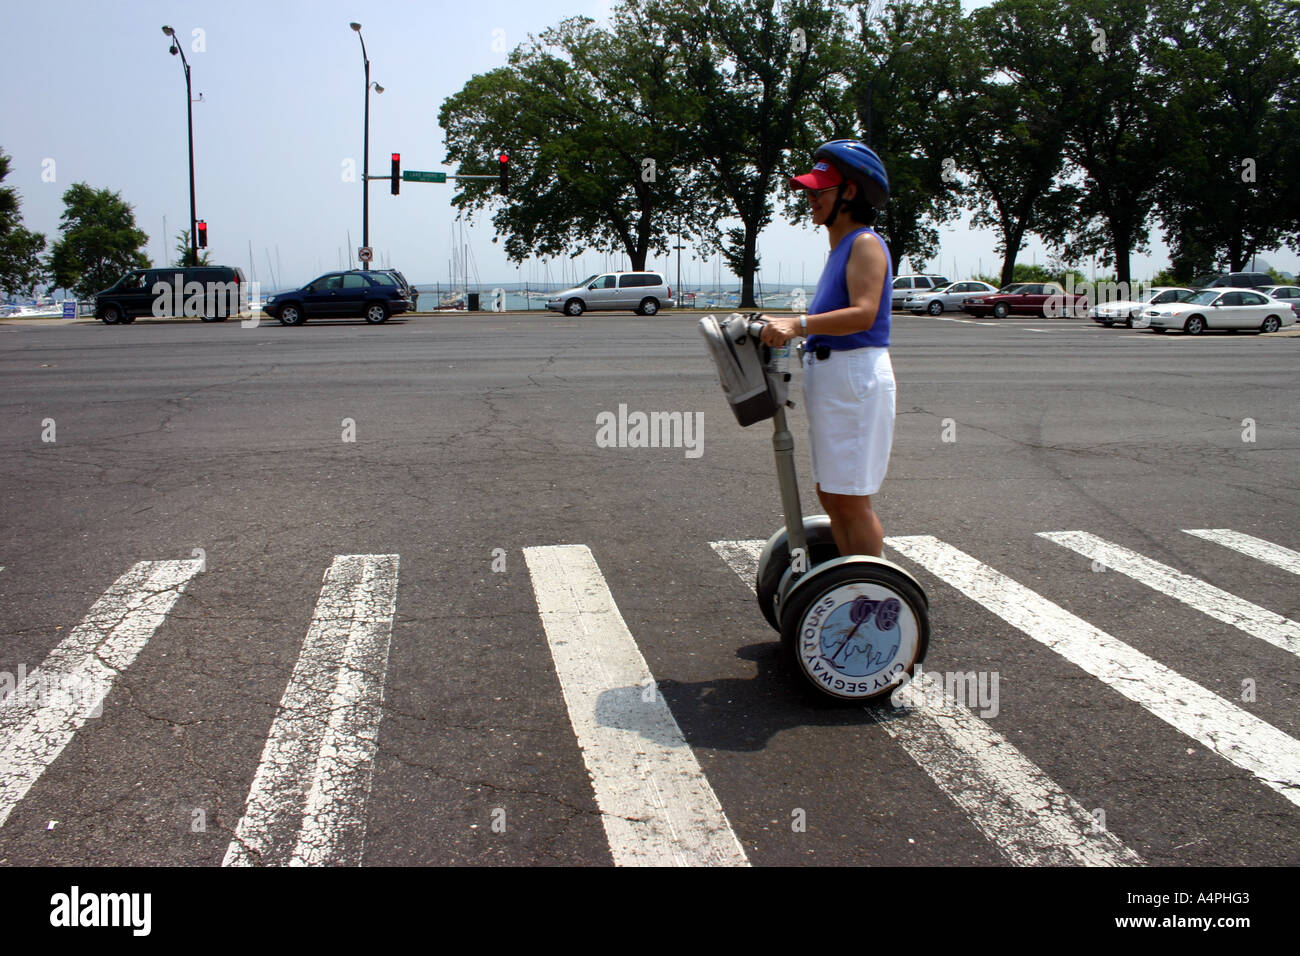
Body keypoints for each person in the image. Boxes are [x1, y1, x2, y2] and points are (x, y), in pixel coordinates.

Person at [759, 140, 895, 559]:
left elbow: (864, 314)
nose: (811, 199)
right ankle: (851, 580)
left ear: (850, 192)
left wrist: (798, 325)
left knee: (851, 499)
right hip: (836, 378)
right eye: (810, 192)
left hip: (855, 377)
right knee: (833, 495)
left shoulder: (865, 243)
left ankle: (869, 587)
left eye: (820, 191)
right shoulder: (841, 248)